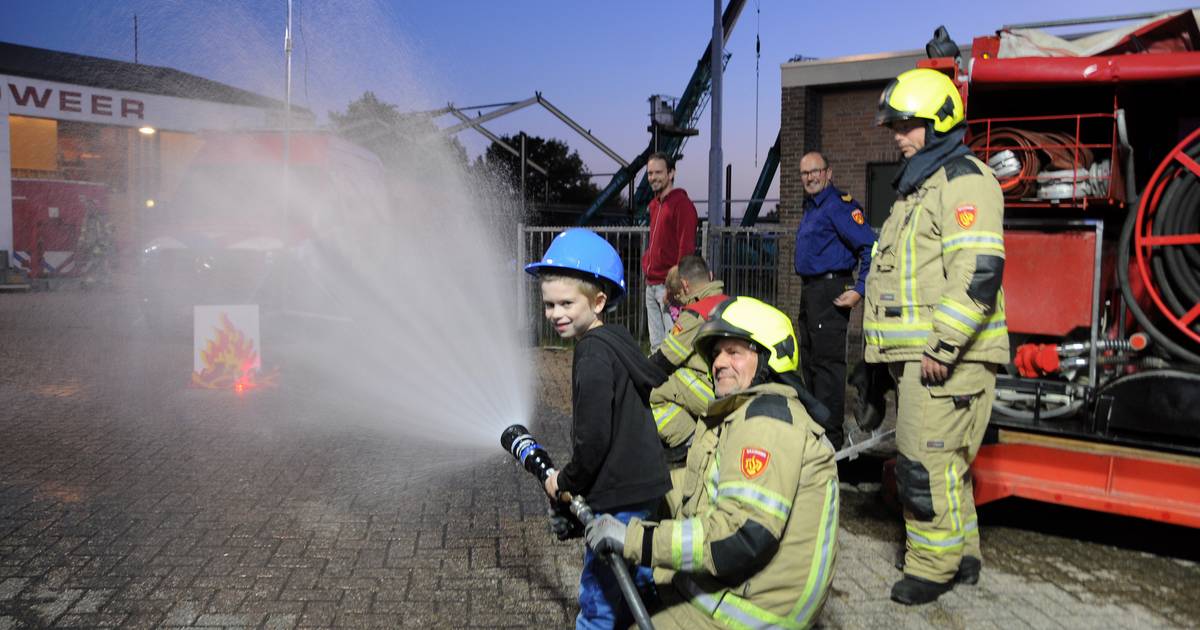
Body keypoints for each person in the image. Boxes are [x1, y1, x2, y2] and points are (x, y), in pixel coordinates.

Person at [586, 296, 839, 630]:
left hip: (742, 614)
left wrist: (634, 540)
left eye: (734, 352)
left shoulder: (767, 423)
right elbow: (695, 488)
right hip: (726, 594)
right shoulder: (744, 413)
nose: (719, 362)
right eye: (716, 353)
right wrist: (615, 503)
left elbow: (739, 536)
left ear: (769, 359)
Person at [868, 67, 1008, 605]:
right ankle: (963, 556)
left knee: (922, 466)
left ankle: (931, 568)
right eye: (894, 126)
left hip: (946, 358)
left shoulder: (963, 180)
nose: (897, 136)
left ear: (940, 123)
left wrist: (944, 347)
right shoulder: (923, 185)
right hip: (927, 356)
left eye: (906, 125)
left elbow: (977, 272)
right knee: (947, 464)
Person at [524, 228, 673, 629]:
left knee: (600, 597)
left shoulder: (591, 354)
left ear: (599, 301)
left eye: (566, 303)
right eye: (549, 304)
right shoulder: (617, 340)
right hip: (647, 487)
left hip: (619, 495)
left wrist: (564, 482)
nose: (555, 313)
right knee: (637, 580)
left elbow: (593, 440)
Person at [794, 151, 876, 450]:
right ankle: (816, 433)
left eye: (815, 171)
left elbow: (870, 247)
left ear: (828, 173)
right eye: (805, 173)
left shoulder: (839, 206)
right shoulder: (812, 207)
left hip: (830, 291)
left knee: (827, 368)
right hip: (811, 292)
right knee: (810, 363)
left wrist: (860, 290)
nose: (810, 177)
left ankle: (831, 440)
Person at [645, 255, 727, 464]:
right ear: (710, 276)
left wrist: (634, 369)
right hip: (730, 385)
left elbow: (664, 360)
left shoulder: (696, 314)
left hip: (712, 391)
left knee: (648, 391)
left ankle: (686, 439)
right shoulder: (727, 302)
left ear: (685, 285)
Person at [643, 152, 699, 352]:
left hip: (668, 288)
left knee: (673, 345)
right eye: (650, 173)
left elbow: (686, 249)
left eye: (658, 172)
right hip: (651, 285)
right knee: (656, 346)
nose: (653, 177)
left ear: (671, 173)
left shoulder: (682, 205)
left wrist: (673, 286)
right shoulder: (654, 206)